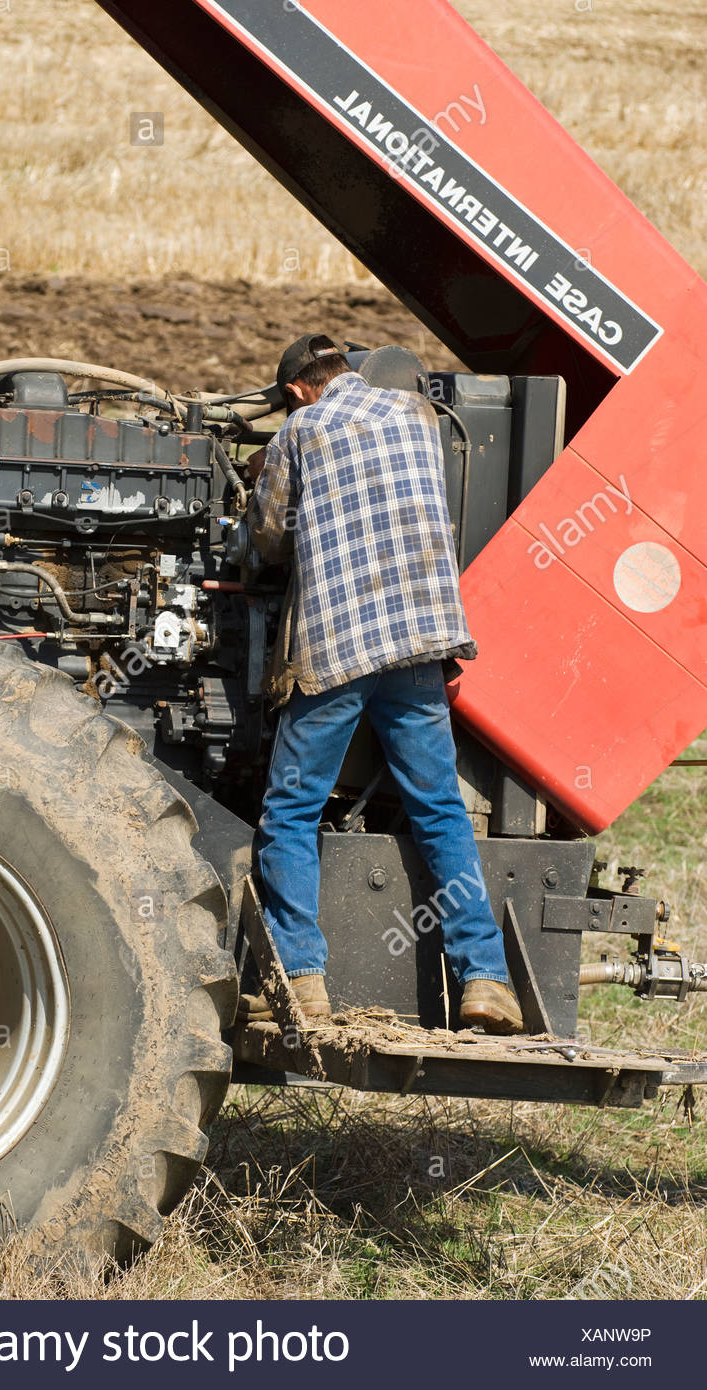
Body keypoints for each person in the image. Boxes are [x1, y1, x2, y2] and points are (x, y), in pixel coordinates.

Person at [238, 333, 524, 1035]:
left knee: (292, 809)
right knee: (439, 809)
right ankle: (487, 981)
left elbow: (270, 540)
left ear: (299, 389)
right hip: (421, 642)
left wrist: (244, 530)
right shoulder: (415, 414)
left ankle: (302, 980)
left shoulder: (301, 430)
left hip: (338, 647)